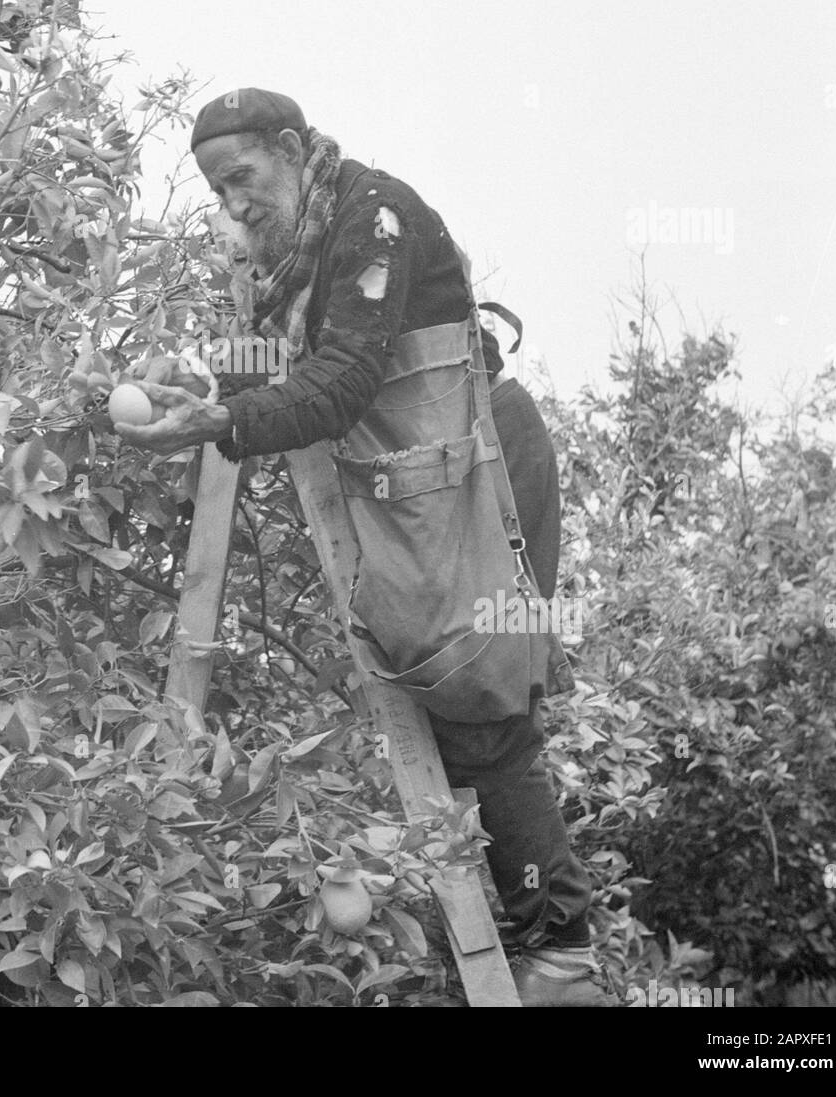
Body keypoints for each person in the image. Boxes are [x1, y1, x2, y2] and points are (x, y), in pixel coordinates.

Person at [115, 87, 609, 1007]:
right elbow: (298, 367)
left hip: (485, 463)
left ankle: (563, 955)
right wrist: (196, 380)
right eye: (218, 194)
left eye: (244, 180)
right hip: (424, 481)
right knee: (457, 707)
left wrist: (216, 419)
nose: (234, 206)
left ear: (294, 149)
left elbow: (339, 385)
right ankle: (538, 936)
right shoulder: (302, 257)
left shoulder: (372, 217)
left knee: (479, 689)